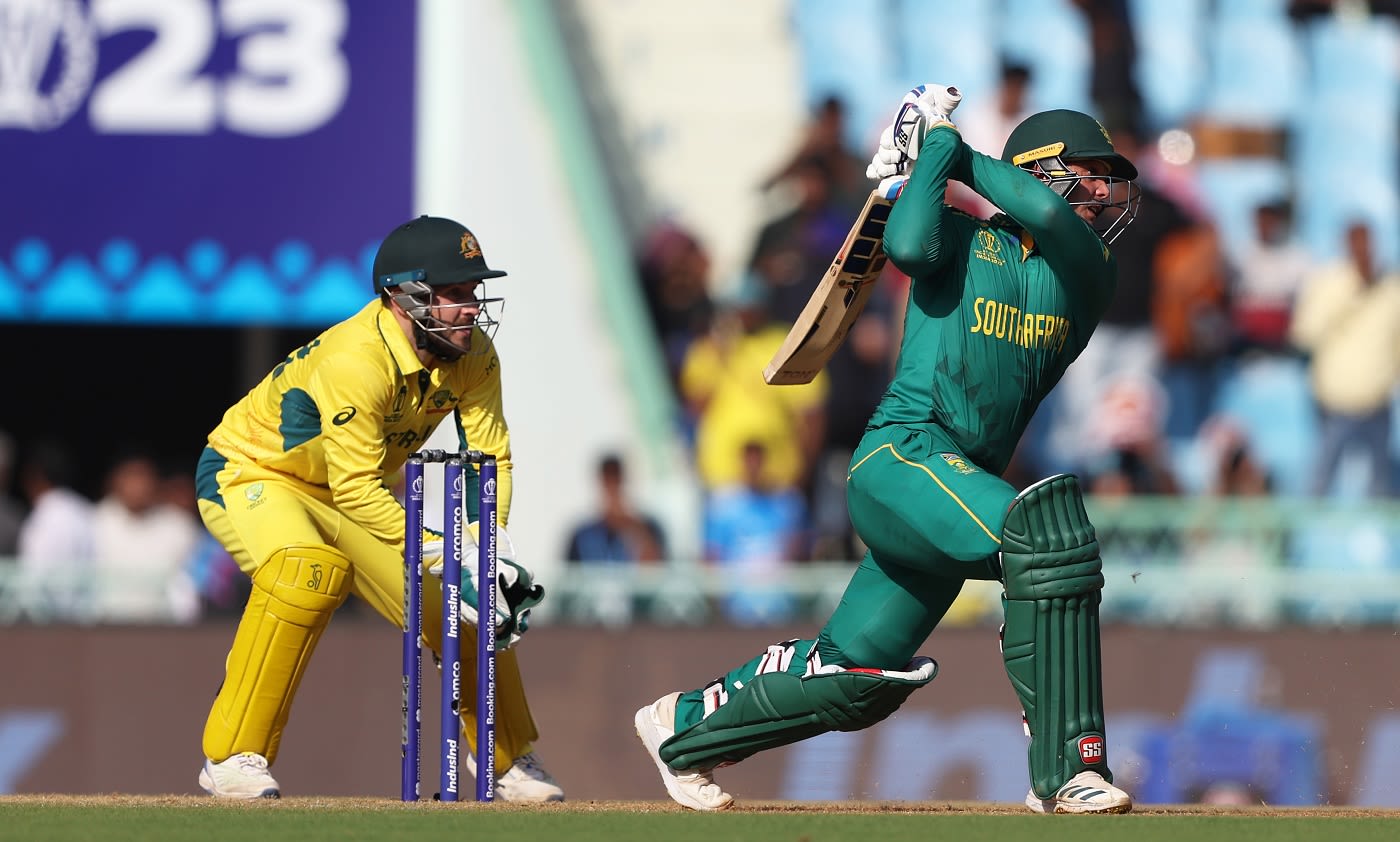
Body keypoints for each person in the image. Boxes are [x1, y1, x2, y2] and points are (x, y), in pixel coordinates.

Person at [634, 85, 1141, 814]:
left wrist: (944, 144)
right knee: (1046, 537)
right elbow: (904, 245)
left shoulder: (1088, 275)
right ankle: (1065, 771)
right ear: (1036, 169)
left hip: (953, 491)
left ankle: (681, 730)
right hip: (901, 459)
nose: (1105, 190)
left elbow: (1051, 216)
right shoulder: (964, 240)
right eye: (1090, 171)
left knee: (858, 677)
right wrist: (939, 151)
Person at [193, 215, 563, 801]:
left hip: (343, 491)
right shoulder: (356, 361)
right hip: (251, 473)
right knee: (306, 569)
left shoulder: (474, 355)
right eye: (455, 295)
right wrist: (451, 551)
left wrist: (482, 547)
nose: (471, 308)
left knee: (462, 601)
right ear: (405, 296)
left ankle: (506, 759)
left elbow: (488, 462)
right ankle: (235, 755)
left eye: (473, 293)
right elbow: (359, 488)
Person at [1288, 219, 1400, 498]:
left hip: (1378, 404)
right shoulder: (1328, 283)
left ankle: (1380, 539)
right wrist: (1352, 293)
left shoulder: (1392, 288)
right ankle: (1311, 536)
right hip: (1335, 405)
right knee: (1321, 482)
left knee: (1380, 486)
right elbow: (1304, 334)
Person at [92, 451, 202, 623]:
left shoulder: (180, 527)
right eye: (131, 476)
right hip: (107, 626)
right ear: (115, 481)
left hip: (164, 630)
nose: (138, 485)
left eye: (142, 476)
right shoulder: (95, 523)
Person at [563, 452, 667, 564]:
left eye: (616, 481)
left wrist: (631, 527)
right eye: (608, 482)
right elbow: (570, 575)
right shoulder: (582, 536)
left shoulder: (648, 528)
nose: (612, 488)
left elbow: (658, 571)